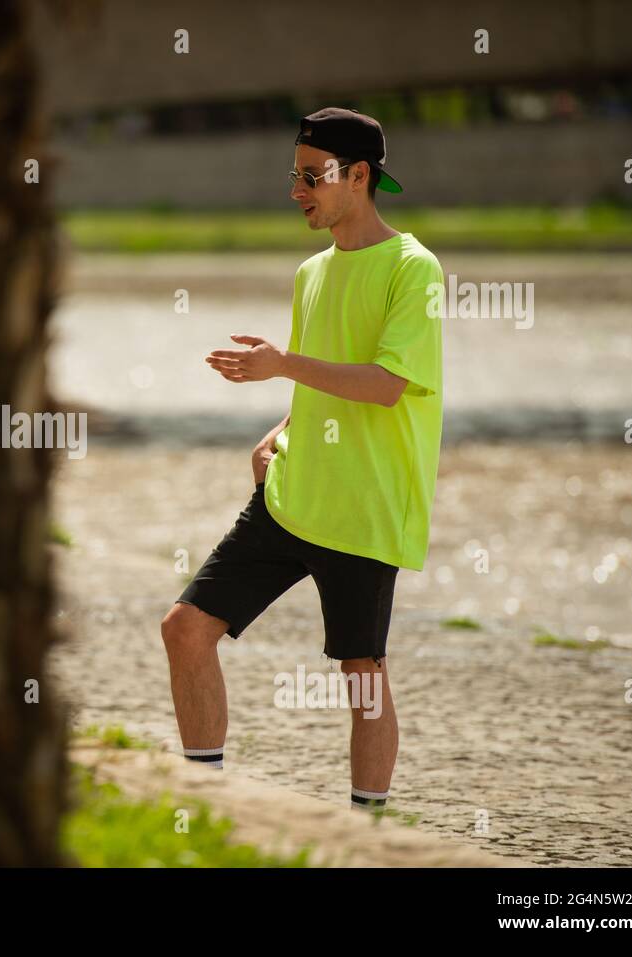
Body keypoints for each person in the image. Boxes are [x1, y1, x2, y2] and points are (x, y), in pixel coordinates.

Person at [160, 109, 444, 813]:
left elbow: (385, 385)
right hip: (289, 494)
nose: (297, 191)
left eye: (310, 176)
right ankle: (205, 802)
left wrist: (282, 364)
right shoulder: (312, 272)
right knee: (185, 630)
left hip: (364, 508)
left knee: (362, 674)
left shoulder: (415, 269)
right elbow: (321, 376)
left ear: (357, 177)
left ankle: (367, 833)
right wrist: (280, 425)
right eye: (294, 175)